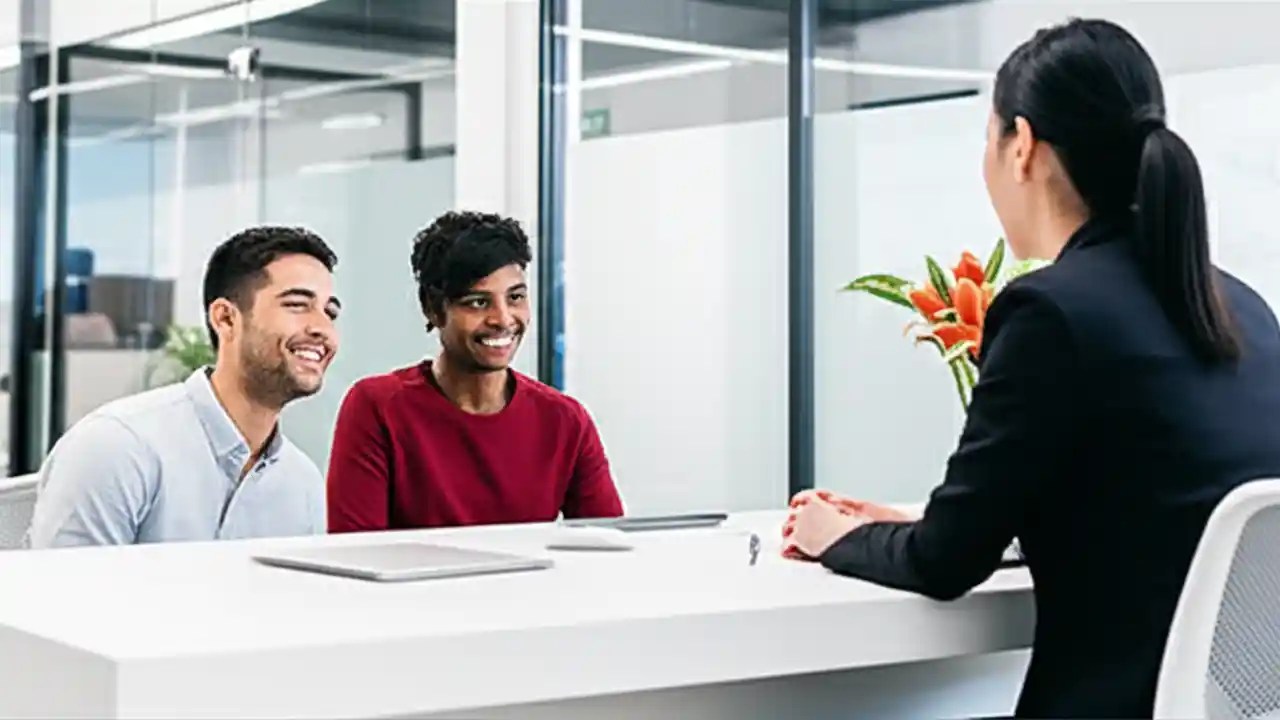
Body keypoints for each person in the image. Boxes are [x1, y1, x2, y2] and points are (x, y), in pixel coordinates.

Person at [785, 18, 1280, 719]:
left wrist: (835, 539)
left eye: (987, 140)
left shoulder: (1049, 313)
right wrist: (913, 518)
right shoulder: (1245, 309)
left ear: (1021, 145)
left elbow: (946, 563)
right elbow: (1142, 503)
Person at [26, 227, 341, 548]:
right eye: (298, 304)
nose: (322, 328)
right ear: (226, 319)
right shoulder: (117, 446)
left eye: (329, 312)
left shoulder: (303, 483)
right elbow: (63, 595)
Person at [326, 210, 623, 531]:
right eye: (478, 302)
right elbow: (353, 554)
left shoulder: (565, 420)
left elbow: (608, 547)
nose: (504, 318)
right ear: (433, 308)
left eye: (516, 297)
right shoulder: (378, 407)